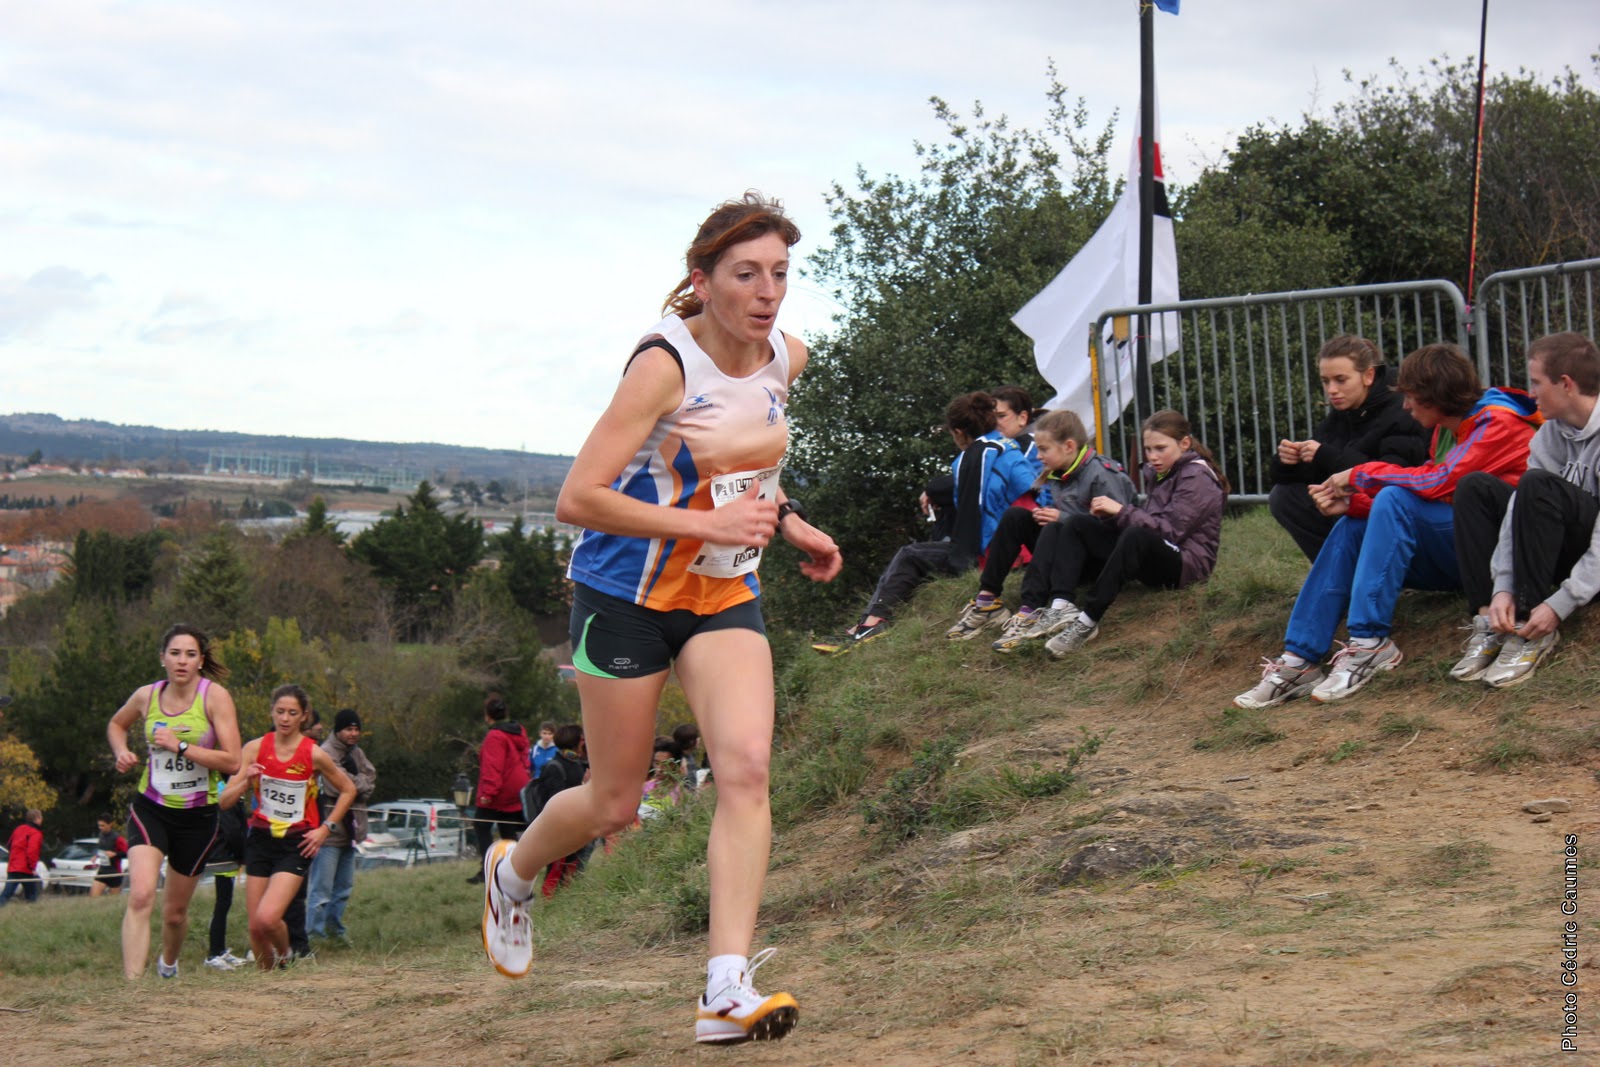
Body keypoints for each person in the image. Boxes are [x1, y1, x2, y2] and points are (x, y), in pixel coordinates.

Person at [479, 191, 842, 1047]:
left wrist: (788, 520)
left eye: (780, 273)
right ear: (702, 280)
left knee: (746, 768)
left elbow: (747, 468)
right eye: (746, 273)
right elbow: (579, 496)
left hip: (723, 597)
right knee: (612, 800)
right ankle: (513, 872)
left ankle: (726, 987)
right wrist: (705, 526)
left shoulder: (786, 357)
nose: (767, 291)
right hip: (624, 596)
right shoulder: (664, 366)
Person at [1235, 343, 1541, 709]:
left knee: (1394, 497)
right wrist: (1355, 503)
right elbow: (1434, 485)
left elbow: (1437, 482)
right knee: (1354, 522)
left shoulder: (1496, 421)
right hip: (1459, 548)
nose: (1406, 406)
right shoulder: (1448, 428)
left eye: (1411, 397)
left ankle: (1369, 642)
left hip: (1495, 559)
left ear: (1436, 395)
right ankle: (1299, 659)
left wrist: (1359, 475)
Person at [815, 391, 1038, 652]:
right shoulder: (1011, 450)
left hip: (997, 555)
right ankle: (868, 623)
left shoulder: (973, 457)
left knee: (910, 555)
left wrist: (964, 558)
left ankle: (871, 623)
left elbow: (974, 512)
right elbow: (1031, 494)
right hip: (1028, 545)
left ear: (958, 432)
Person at [1450, 331, 1600, 687]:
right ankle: (1490, 620)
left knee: (1537, 484)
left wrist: (1560, 604)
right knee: (1475, 487)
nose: (1530, 393)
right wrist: (1502, 586)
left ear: (1566, 384)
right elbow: (1518, 509)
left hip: (1595, 566)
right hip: (1563, 548)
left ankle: (1531, 626)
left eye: (1536, 382)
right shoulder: (1550, 433)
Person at [107, 623, 243, 979]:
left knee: (174, 914)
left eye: (190, 654)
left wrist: (181, 746)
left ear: (201, 661)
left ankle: (168, 965)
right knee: (140, 895)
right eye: (175, 653)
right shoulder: (146, 696)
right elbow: (117, 725)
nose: (182, 661)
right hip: (151, 808)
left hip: (197, 817)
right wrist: (121, 751)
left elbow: (233, 761)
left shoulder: (214, 697)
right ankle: (134, 989)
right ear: (163, 658)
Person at [1037, 409, 1229, 657]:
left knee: (1134, 535)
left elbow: (1171, 532)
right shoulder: (1165, 471)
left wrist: (1121, 511)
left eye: (1160, 448)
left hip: (1187, 567)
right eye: (1148, 449)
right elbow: (1152, 523)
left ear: (1184, 444)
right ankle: (1061, 604)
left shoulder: (1197, 476)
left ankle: (1088, 620)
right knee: (1078, 523)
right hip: (1160, 552)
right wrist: (1108, 517)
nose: (1153, 456)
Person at [944, 409, 1135, 647]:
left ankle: (1030, 610)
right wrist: (1044, 515)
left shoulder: (1103, 473)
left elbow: (1120, 529)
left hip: (1099, 564)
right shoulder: (1056, 473)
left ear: (1068, 446)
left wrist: (1063, 517)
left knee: (1058, 526)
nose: (1038, 456)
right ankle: (987, 601)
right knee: (1016, 516)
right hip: (1066, 554)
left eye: (1044, 449)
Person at [220, 683, 356, 971]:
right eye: (280, 711)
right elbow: (224, 800)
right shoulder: (254, 748)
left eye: (292, 713)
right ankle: (269, 981)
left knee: (268, 918)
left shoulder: (313, 754)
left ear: (304, 716)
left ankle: (286, 955)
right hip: (260, 839)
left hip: (295, 843)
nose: (284, 718)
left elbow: (348, 790)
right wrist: (245, 782)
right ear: (271, 711)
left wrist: (325, 828)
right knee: (255, 928)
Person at [1269, 335, 1428, 561]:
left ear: (1368, 376)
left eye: (1340, 380)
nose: (1331, 390)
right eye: (1325, 381)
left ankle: (1366, 568)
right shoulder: (1346, 409)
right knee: (1284, 497)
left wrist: (1326, 456)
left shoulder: (1401, 409)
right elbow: (1310, 470)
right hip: (1360, 505)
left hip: (1399, 512)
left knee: (1343, 496)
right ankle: (1336, 571)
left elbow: (1394, 475)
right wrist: (1287, 460)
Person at [306, 707, 376, 944]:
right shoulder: (326, 752)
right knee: (321, 889)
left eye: (356, 729)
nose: (353, 733)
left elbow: (371, 778)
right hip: (331, 832)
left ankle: (334, 928)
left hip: (351, 832)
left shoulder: (357, 752)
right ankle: (314, 933)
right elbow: (338, 786)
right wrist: (357, 784)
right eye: (348, 729)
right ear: (338, 730)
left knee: (344, 888)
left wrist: (355, 782)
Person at [468, 695, 530, 884]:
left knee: (481, 825)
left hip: (502, 789)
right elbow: (525, 758)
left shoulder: (495, 736)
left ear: (488, 715)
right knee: (507, 828)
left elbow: (493, 766)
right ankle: (516, 869)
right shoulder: (517, 731)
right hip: (518, 786)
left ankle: (489, 869)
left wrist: (488, 793)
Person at [204, 800, 249, 970]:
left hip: (226, 856)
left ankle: (220, 950)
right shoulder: (228, 798)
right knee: (222, 905)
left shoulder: (233, 798)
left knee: (224, 904)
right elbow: (233, 831)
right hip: (225, 857)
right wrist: (242, 854)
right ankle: (214, 954)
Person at [0, 809, 44, 906]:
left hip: (13, 867)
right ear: (36, 819)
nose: (42, 819)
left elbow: (9, 845)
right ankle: (31, 911)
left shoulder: (19, 829)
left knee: (6, 894)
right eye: (40, 817)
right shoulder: (35, 833)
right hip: (26, 869)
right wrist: (32, 868)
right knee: (31, 896)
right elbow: (32, 851)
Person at [90, 812, 129, 898]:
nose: (100, 828)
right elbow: (102, 850)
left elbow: (127, 853)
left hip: (114, 873)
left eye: (103, 825)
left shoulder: (117, 838)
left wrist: (115, 854)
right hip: (102, 871)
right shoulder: (100, 835)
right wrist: (96, 856)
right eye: (99, 825)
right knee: (93, 898)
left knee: (114, 900)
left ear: (110, 824)